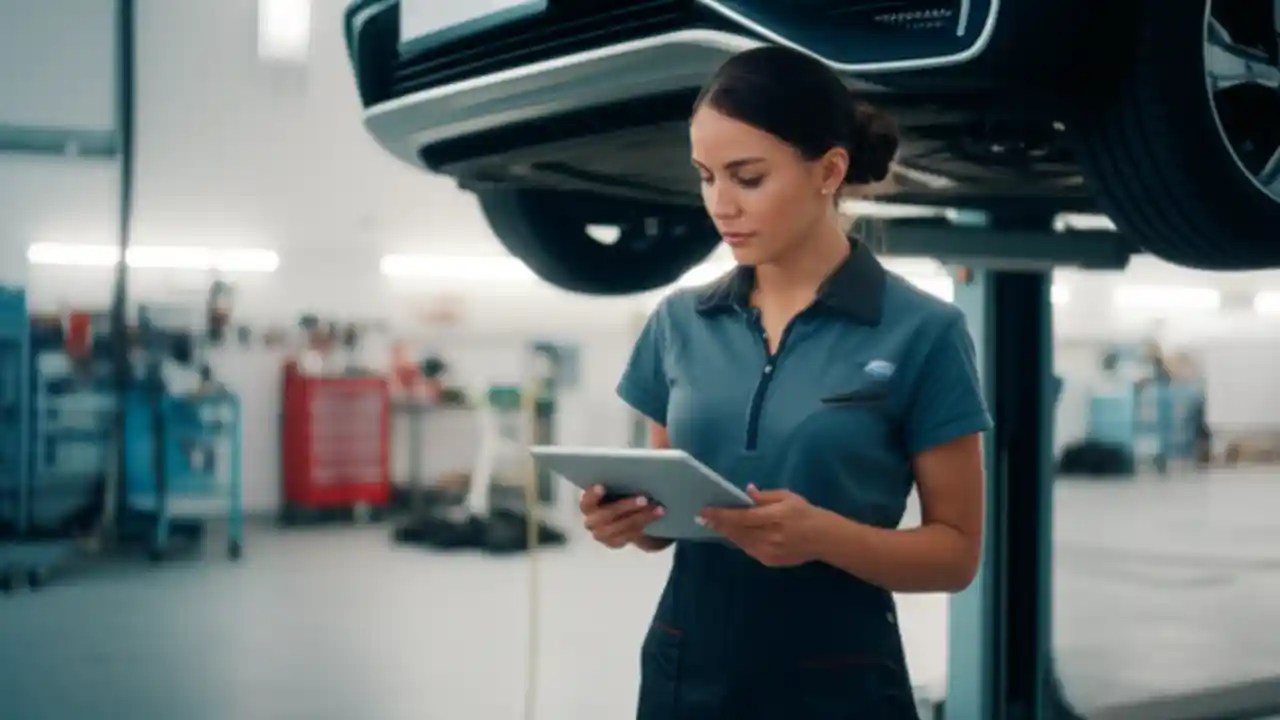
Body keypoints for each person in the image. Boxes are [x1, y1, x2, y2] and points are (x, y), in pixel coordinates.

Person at [578, 45, 992, 719]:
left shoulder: (923, 332)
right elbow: (667, 515)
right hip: (688, 673)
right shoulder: (680, 322)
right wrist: (628, 520)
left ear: (828, 171)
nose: (720, 204)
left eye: (747, 177)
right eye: (706, 176)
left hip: (840, 681)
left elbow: (955, 556)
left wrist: (822, 536)